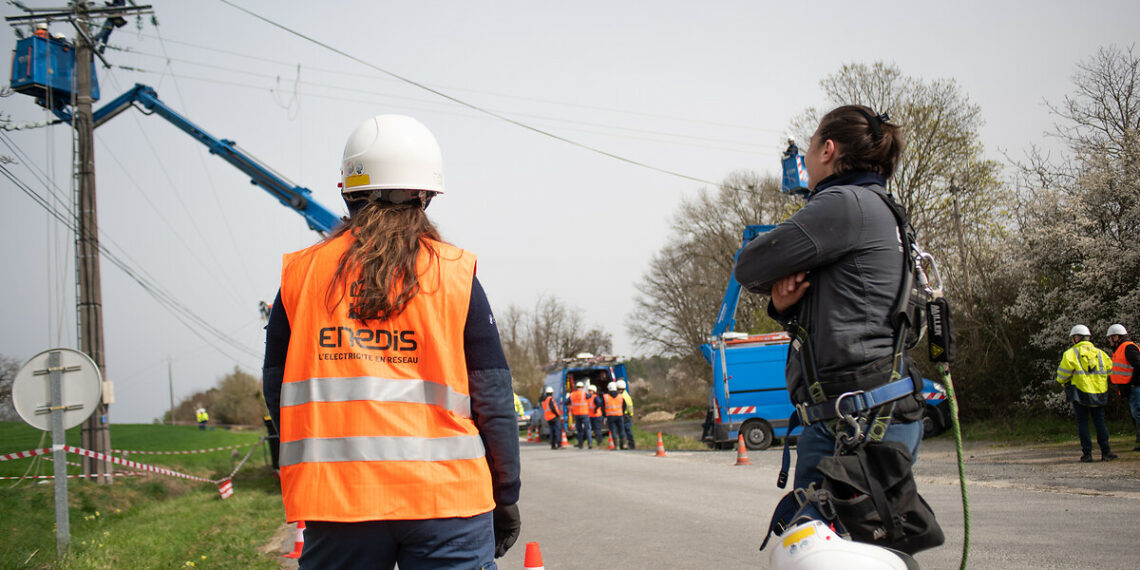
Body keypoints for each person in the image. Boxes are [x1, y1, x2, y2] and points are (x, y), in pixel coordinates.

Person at [261, 114, 521, 568]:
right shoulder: (454, 273)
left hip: (338, 504)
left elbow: (276, 389)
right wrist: (506, 493)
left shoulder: (301, 276)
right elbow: (493, 398)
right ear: (427, 193)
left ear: (347, 189)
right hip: (448, 500)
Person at [733, 105, 926, 491]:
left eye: (809, 146)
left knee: (817, 547)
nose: (804, 157)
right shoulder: (884, 210)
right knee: (869, 543)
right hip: (877, 408)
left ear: (828, 150)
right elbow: (854, 309)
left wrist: (773, 285)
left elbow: (749, 266)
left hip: (855, 418)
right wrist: (786, 308)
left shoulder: (844, 204)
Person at [1056, 324, 1117, 462]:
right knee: (1100, 422)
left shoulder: (1070, 354)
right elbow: (1109, 370)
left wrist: (1063, 380)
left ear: (1077, 338)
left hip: (1080, 392)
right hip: (1099, 392)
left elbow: (1062, 375)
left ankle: (1087, 454)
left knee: (1083, 423)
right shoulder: (1100, 353)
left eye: (1073, 338)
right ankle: (1106, 452)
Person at [1107, 324, 1140, 450]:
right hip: (1130, 388)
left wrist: (1132, 382)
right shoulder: (1122, 348)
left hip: (1135, 388)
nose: (1109, 341)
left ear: (1116, 337)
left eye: (1110, 338)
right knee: (1136, 414)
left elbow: (1138, 365)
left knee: (1138, 414)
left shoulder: (1128, 347)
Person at [604, 381, 627, 449]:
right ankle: (624, 444)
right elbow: (624, 405)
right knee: (622, 429)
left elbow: (602, 406)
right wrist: (622, 412)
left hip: (610, 416)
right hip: (619, 415)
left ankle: (616, 446)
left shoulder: (606, 397)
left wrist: (605, 415)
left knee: (613, 430)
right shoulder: (620, 396)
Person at [569, 381, 592, 448]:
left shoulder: (572, 394)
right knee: (587, 429)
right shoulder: (584, 393)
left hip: (576, 414)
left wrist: (570, 406)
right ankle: (590, 443)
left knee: (579, 430)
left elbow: (566, 402)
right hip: (584, 413)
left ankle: (580, 444)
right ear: (582, 387)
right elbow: (589, 396)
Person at [617, 379, 636, 449]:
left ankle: (631, 444)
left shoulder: (624, 396)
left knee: (626, 430)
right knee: (624, 430)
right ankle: (625, 444)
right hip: (625, 415)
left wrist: (630, 414)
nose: (619, 390)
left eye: (620, 389)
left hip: (625, 415)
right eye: (618, 389)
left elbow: (629, 406)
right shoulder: (624, 395)